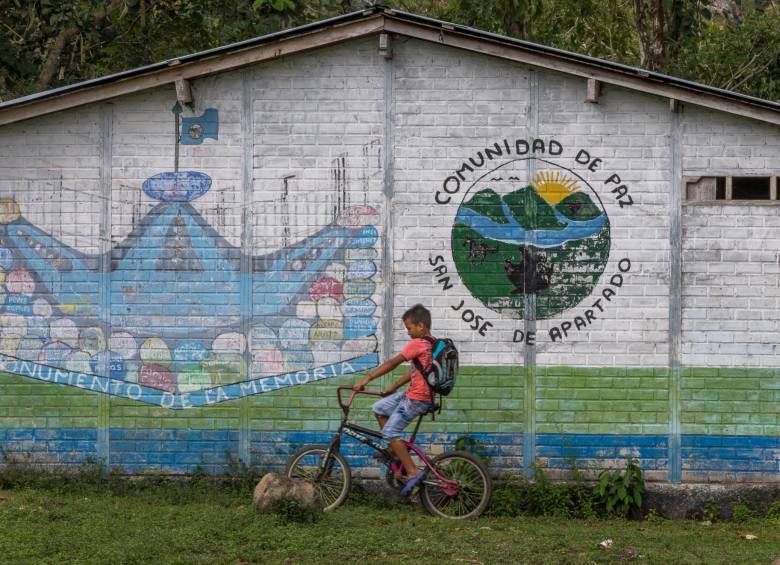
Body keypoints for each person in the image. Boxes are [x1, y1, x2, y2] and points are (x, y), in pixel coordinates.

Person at [352, 303, 435, 496]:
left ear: (421, 326)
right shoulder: (431, 344)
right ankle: (395, 453)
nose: (408, 332)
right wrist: (394, 387)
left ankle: (413, 472)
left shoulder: (418, 343)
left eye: (410, 328)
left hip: (417, 398)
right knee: (380, 408)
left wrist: (368, 377)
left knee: (389, 431)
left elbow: (392, 362)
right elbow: (415, 371)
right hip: (414, 394)